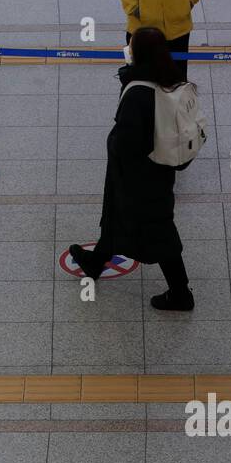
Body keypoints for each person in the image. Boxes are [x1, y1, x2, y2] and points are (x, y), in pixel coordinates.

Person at [68, 27, 194, 311]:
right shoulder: (168, 78)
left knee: (157, 227)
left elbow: (128, 139)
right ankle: (96, 262)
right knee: (118, 215)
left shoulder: (139, 91)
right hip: (158, 169)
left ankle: (180, 292)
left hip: (139, 175)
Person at [117, 0, 199, 80]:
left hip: (178, 28)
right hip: (142, 30)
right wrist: (133, 7)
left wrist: (190, 0)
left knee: (177, 81)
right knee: (139, 81)